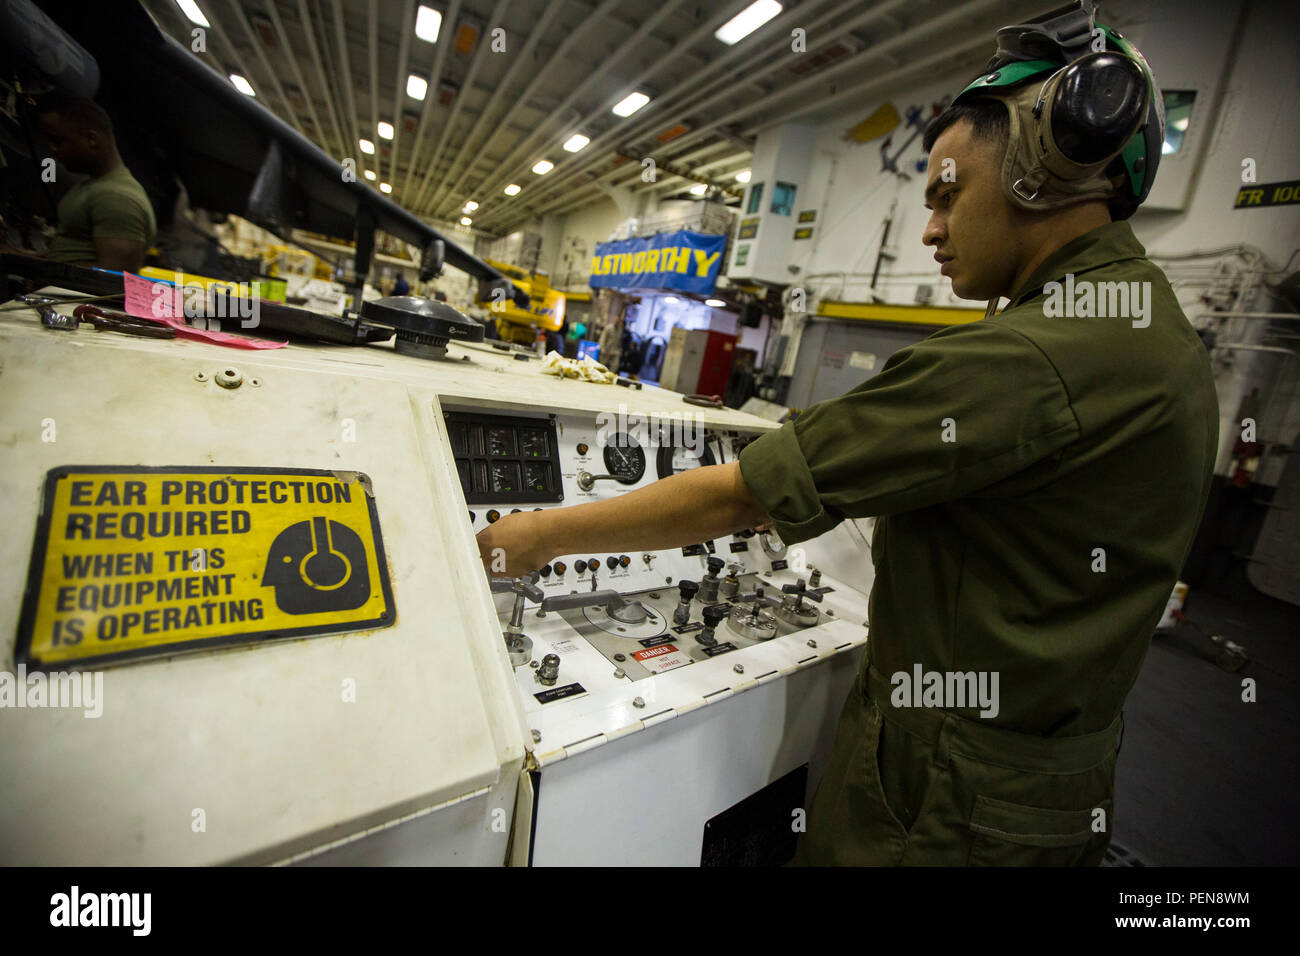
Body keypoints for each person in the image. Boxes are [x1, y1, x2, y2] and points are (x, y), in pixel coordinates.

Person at [475, 5, 1218, 865]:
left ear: (1036, 176)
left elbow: (749, 493)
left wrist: (534, 537)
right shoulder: (1162, 336)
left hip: (942, 805)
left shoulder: (1025, 357)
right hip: (1054, 786)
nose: (931, 230)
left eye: (948, 194)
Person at [34, 93, 156, 271]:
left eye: (58, 141)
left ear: (91, 139)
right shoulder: (93, 187)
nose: (53, 150)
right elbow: (66, 258)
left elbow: (112, 279)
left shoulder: (116, 198)